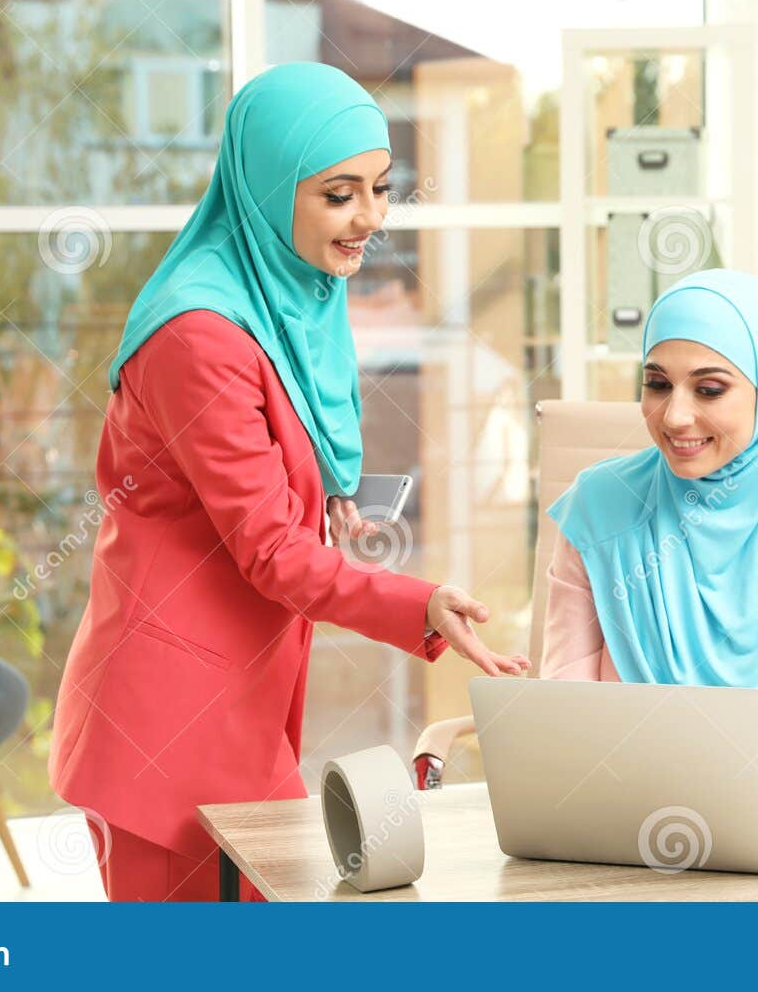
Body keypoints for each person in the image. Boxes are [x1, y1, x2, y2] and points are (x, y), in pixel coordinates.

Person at [49, 62, 528, 902]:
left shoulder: (289, 298)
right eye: (339, 194)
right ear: (271, 186)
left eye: (380, 188)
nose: (371, 218)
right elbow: (270, 548)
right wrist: (416, 604)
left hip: (232, 695)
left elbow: (287, 468)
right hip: (169, 719)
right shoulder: (200, 336)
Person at [540, 269, 758, 813]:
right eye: (657, 384)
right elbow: (565, 708)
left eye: (709, 389)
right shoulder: (600, 505)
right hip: (618, 814)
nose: (675, 416)